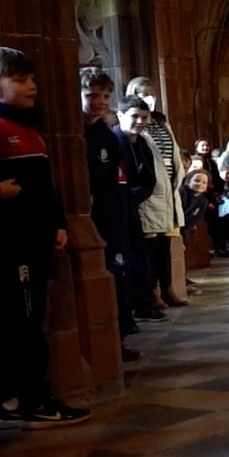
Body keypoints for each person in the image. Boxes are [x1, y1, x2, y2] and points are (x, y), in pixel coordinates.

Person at [0, 46, 91, 427]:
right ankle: (29, 399)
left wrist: (59, 222)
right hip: (6, 242)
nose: (32, 86)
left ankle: (27, 396)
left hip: (33, 240)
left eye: (31, 78)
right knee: (22, 327)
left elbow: (44, 185)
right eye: (21, 79)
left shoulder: (28, 125)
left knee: (32, 324)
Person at [82, 72, 150, 359]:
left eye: (105, 96)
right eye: (92, 96)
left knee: (117, 275)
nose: (99, 102)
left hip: (113, 216)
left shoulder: (106, 137)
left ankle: (117, 339)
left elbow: (117, 180)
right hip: (88, 217)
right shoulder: (73, 133)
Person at [125, 76, 188, 305]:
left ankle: (168, 288)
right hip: (152, 195)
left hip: (169, 192)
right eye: (143, 94)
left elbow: (173, 152)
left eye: (151, 94)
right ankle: (152, 291)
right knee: (150, 247)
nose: (148, 98)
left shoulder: (161, 121)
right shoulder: (136, 125)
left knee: (164, 246)